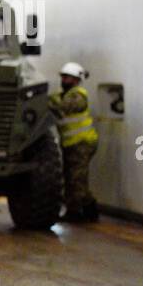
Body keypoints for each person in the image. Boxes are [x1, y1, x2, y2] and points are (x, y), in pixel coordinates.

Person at [48, 62, 99, 222]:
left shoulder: (78, 95)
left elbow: (66, 106)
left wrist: (50, 103)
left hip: (82, 144)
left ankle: (91, 211)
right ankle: (73, 212)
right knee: (69, 179)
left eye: (67, 77)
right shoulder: (61, 95)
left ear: (76, 80)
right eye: (63, 77)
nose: (63, 80)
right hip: (71, 144)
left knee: (77, 181)